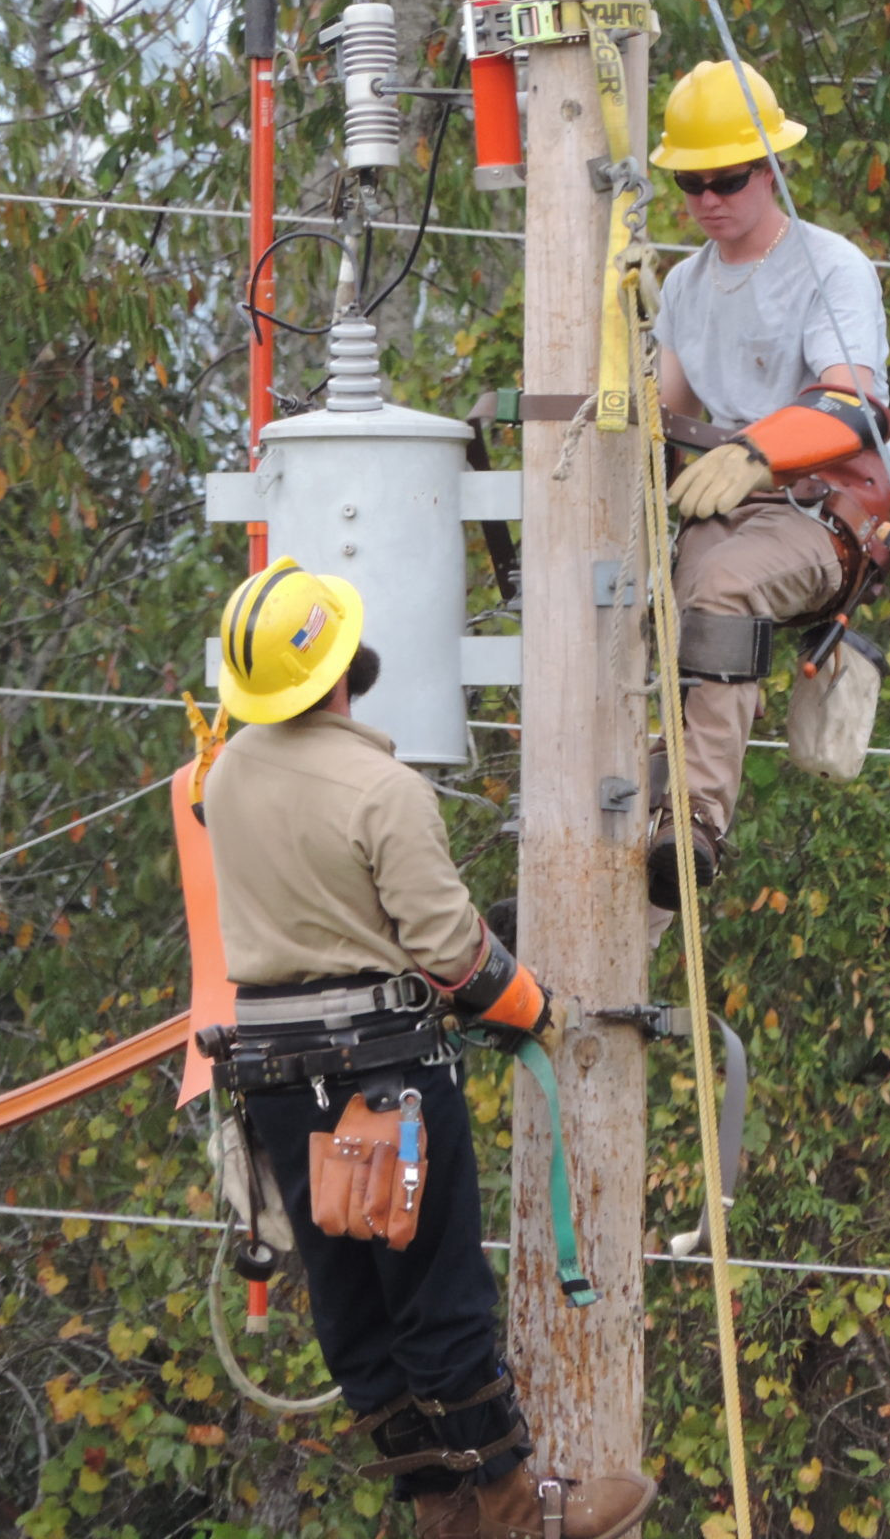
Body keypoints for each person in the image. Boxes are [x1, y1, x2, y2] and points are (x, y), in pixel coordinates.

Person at [203, 557, 657, 1539]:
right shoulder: (383, 790)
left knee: (356, 1311)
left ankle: (442, 1511)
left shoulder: (226, 774)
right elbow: (453, 955)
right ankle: (510, 1505)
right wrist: (536, 1009)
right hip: (385, 1083)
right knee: (438, 1298)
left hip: (281, 1084)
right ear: (340, 671)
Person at [645, 60, 890, 904]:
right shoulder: (683, 285)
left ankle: (694, 825)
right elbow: (661, 411)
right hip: (726, 502)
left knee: (718, 585)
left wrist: (759, 452)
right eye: (691, 182)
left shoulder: (829, 267)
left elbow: (852, 404)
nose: (709, 198)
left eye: (728, 178)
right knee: (640, 598)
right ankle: (641, 798)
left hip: (825, 509)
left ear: (771, 167)